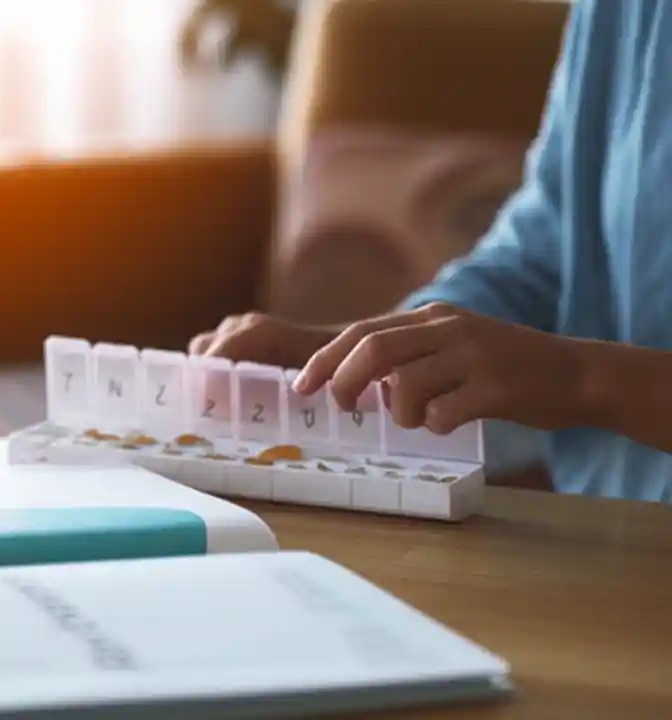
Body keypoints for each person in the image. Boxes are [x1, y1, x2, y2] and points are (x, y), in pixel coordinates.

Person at [189, 0, 672, 503]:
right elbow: (543, 254)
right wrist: (366, 357)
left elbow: (564, 359)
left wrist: (582, 379)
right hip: (606, 529)